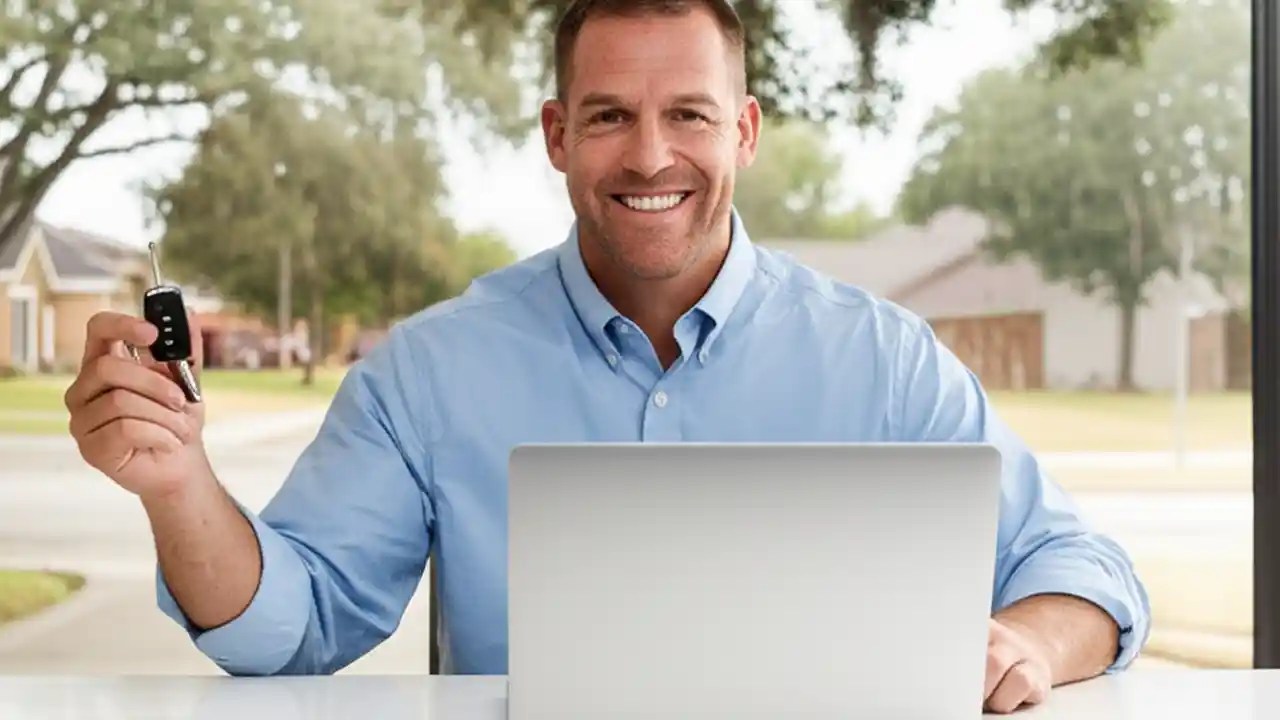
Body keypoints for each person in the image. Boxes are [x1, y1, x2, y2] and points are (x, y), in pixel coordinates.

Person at [63, 0, 1149, 714]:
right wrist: (177, 483)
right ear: (554, 135)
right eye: (608, 116)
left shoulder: (883, 361)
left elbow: (1082, 575)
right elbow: (287, 637)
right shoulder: (429, 372)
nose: (648, 155)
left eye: (687, 113)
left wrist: (1029, 648)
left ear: (746, 131)